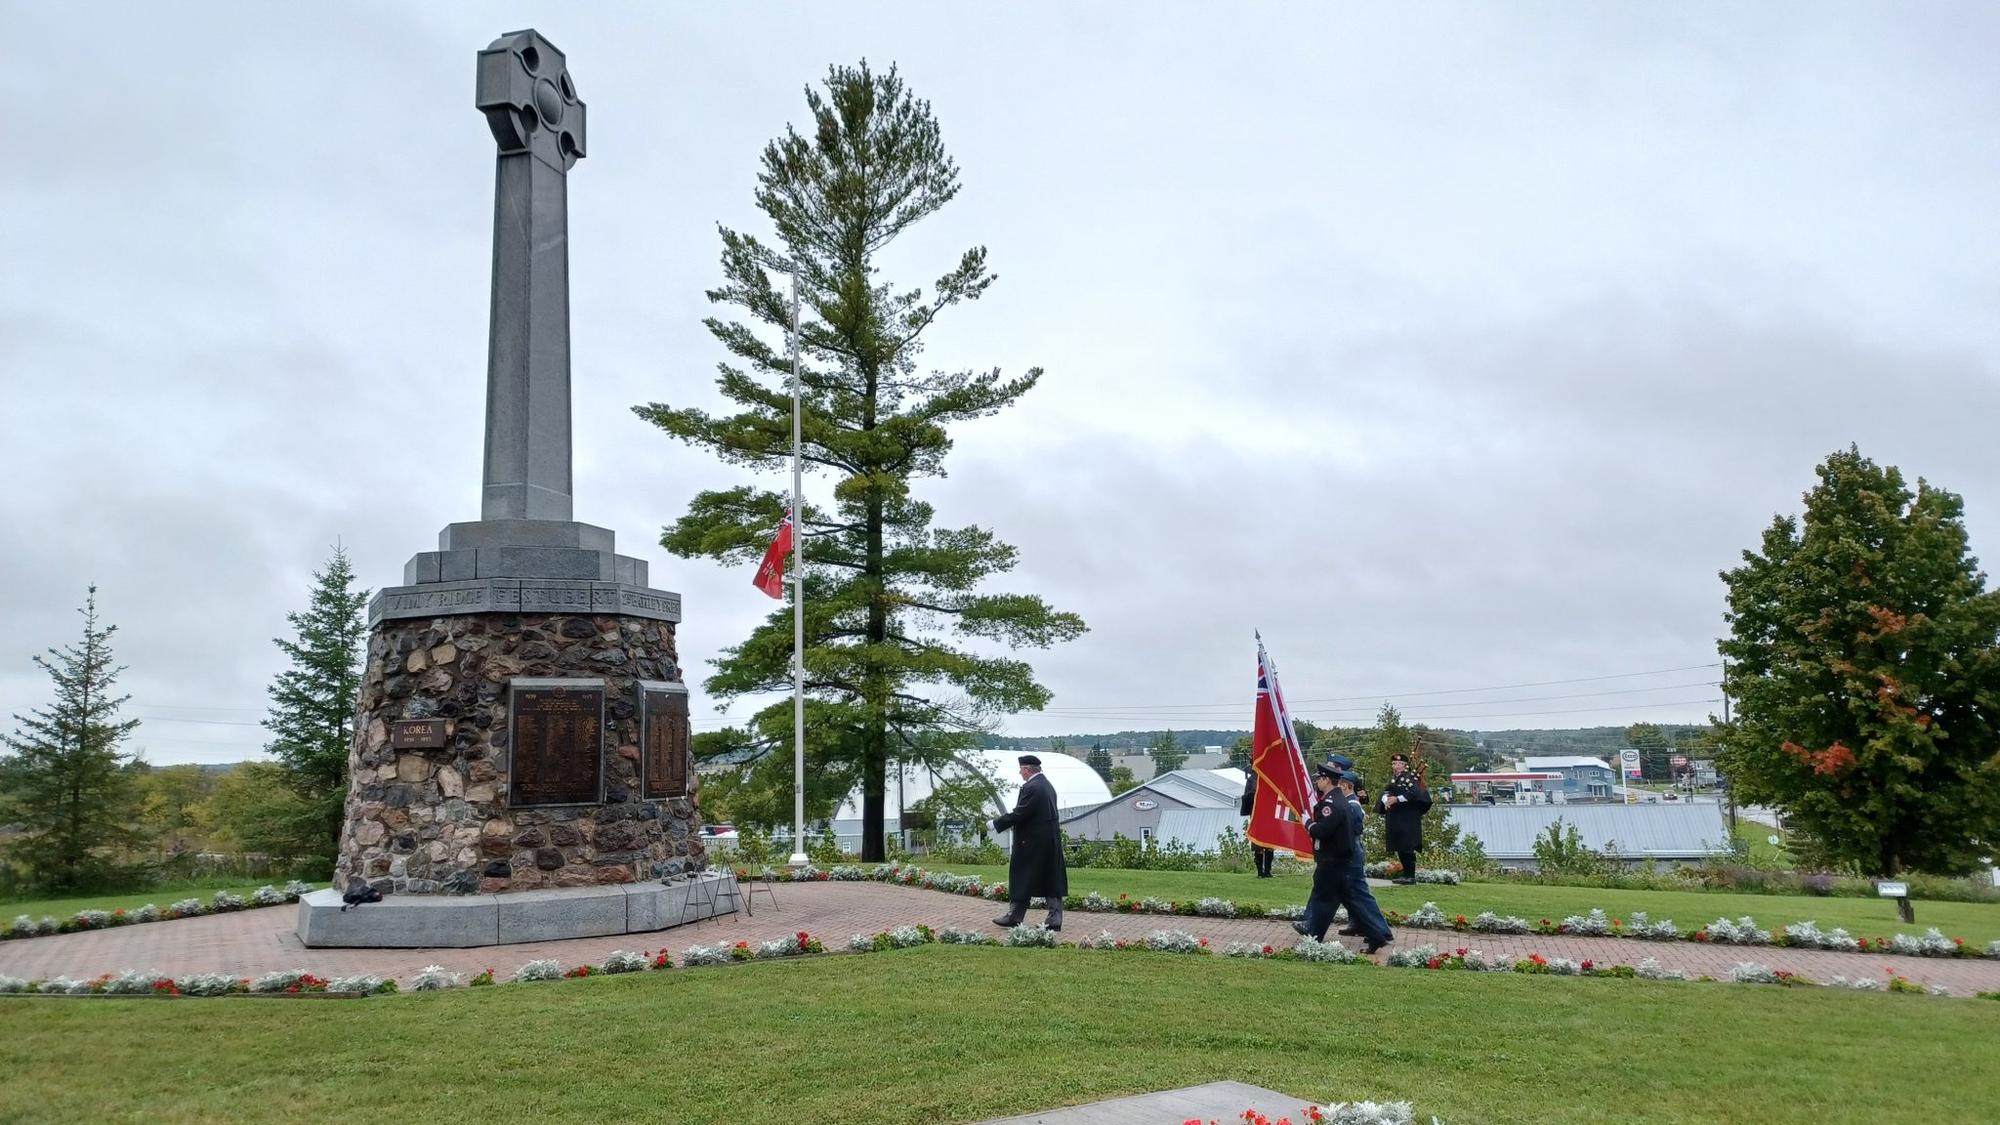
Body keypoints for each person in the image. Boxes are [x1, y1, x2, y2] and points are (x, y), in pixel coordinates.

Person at [992, 754, 1067, 931]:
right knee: (1050, 878)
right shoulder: (1045, 785)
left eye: (1021, 769)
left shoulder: (1033, 787)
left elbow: (1021, 813)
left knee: (1022, 876)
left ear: (1027, 769)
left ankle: (1015, 916)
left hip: (1033, 842)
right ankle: (1053, 918)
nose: (1020, 773)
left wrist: (997, 823)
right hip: (1046, 841)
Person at [1337, 771, 1394, 953]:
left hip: (1351, 856)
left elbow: (1352, 831)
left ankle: (1379, 932)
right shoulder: (1350, 803)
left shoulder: (1352, 805)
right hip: (1351, 855)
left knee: (1359, 897)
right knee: (1358, 896)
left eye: (1339, 785)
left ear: (1345, 786)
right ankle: (1379, 932)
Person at [1293, 764, 1349, 940]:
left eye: (1319, 778)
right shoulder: (1334, 799)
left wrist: (1308, 823)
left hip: (1331, 857)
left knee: (1323, 896)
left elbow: (1323, 831)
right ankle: (1312, 928)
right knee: (1346, 898)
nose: (1317, 781)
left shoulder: (1331, 803)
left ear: (1326, 780)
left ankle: (1314, 931)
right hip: (1333, 856)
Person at [1378, 751, 1433, 884]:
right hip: (1396, 818)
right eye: (1393, 763)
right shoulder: (1394, 778)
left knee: (1407, 846)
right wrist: (1386, 800)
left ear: (1404, 765)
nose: (1394, 765)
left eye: (1397, 763)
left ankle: (1410, 875)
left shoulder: (1410, 778)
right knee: (1400, 846)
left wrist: (1396, 799)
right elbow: (1386, 791)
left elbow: (1414, 794)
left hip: (1407, 818)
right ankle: (1405, 874)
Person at [1239, 770, 1275, 878]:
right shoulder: (1252, 779)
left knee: (1269, 845)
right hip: (1257, 816)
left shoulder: (1270, 776)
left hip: (1269, 815)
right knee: (1258, 846)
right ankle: (1260, 872)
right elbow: (1247, 797)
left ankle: (1268, 872)